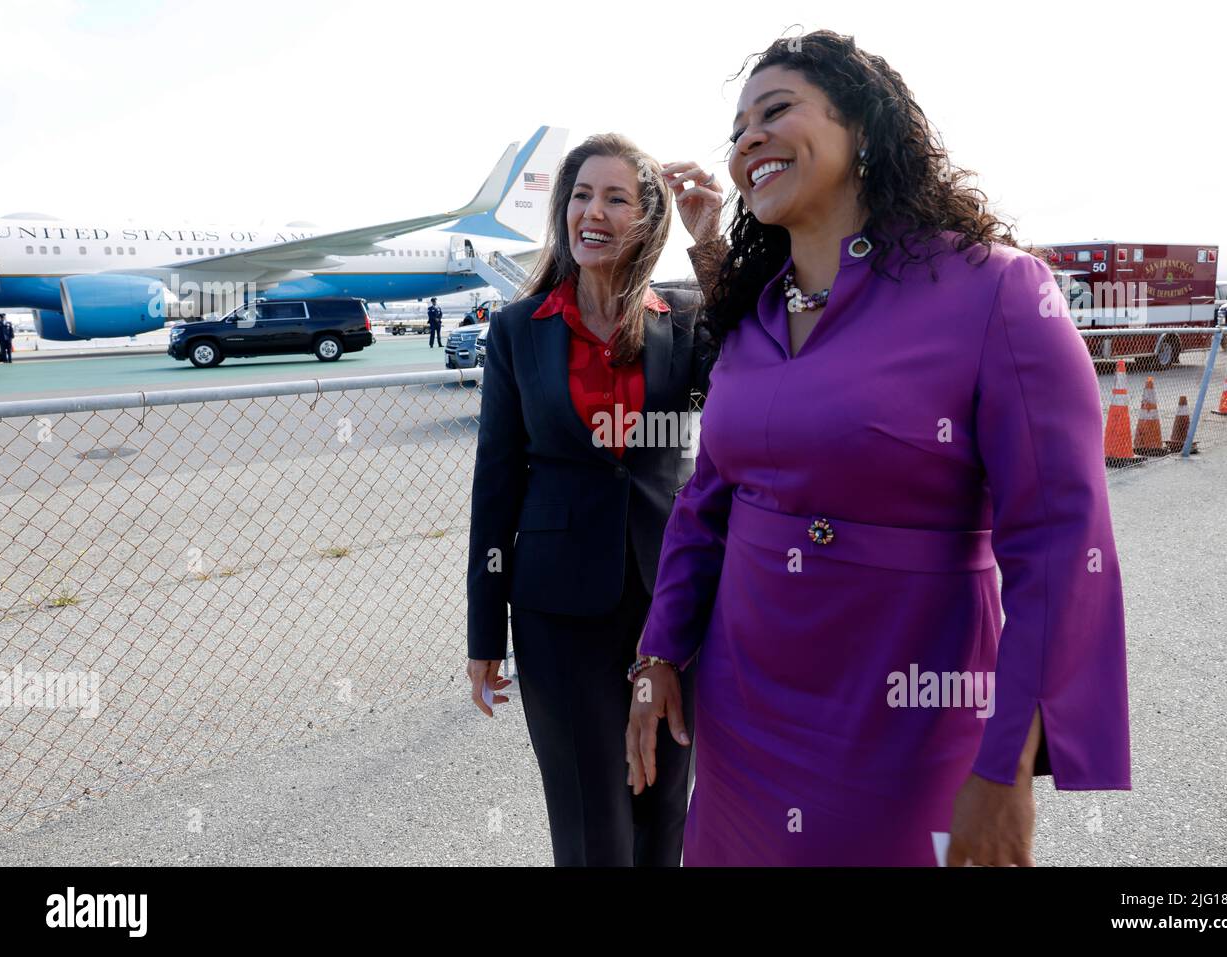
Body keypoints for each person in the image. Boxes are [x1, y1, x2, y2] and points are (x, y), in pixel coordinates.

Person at [625, 30, 1131, 866]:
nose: (749, 137)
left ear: (863, 125)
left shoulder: (996, 292)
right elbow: (705, 501)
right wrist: (659, 652)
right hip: (742, 718)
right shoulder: (753, 318)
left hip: (906, 720)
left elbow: (1060, 542)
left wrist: (1008, 765)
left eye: (775, 110)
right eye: (738, 127)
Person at [466, 132, 718, 867]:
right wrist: (485, 631)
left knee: (664, 805)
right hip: (557, 614)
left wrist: (711, 241)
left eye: (615, 197)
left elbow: (755, 359)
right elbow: (496, 480)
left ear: (647, 218)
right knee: (590, 819)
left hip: (672, 603)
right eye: (581, 195)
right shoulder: (519, 330)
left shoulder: (689, 315)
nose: (593, 212)